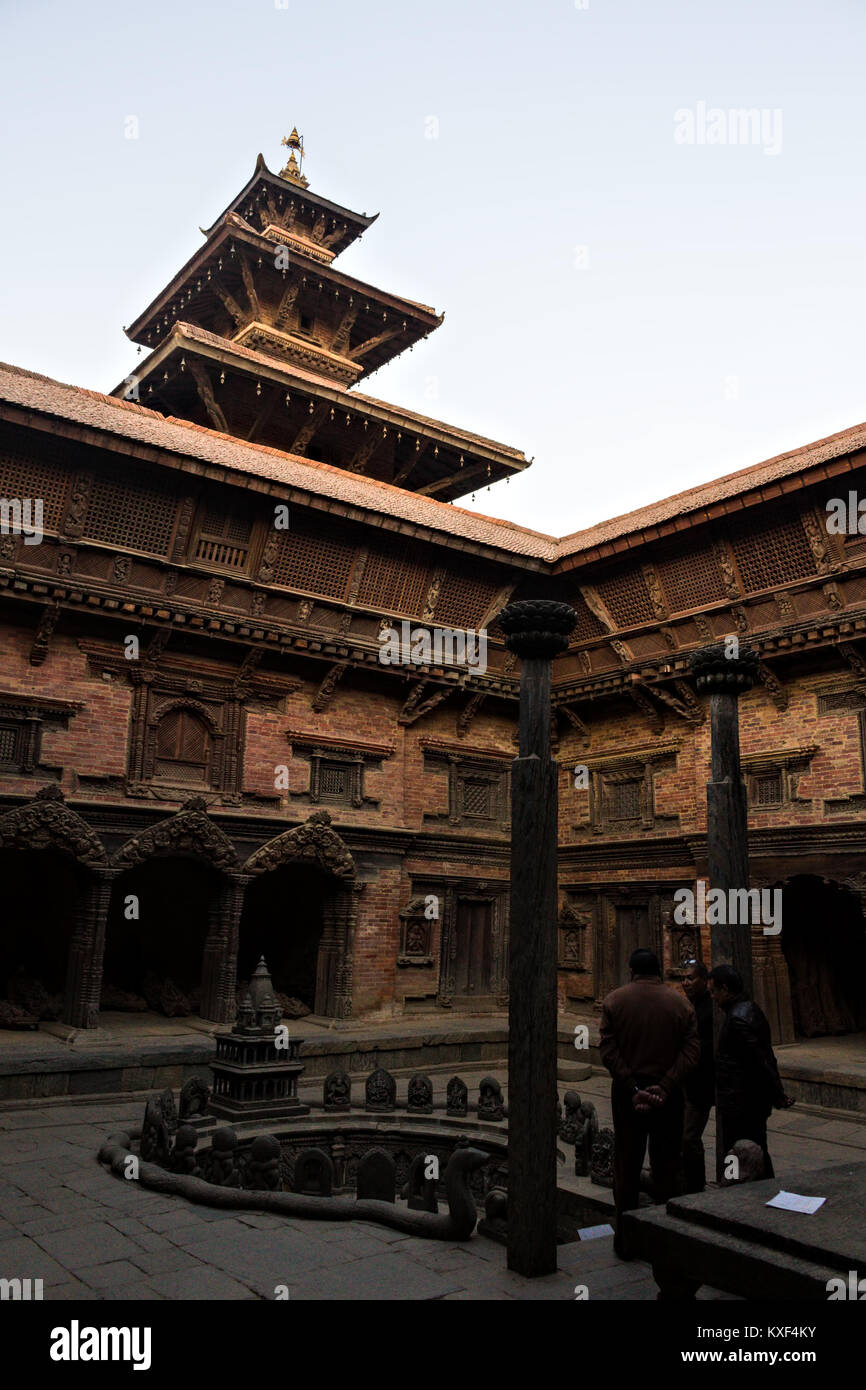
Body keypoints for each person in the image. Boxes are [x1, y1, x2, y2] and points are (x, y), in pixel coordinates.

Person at [600, 948, 700, 1258]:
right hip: (666, 1098)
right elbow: (692, 1051)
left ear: (631, 970)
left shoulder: (615, 1001)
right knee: (666, 1168)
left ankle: (627, 1242)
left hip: (628, 1096)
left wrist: (633, 1087)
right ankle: (664, 1241)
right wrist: (666, 1085)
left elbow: (607, 1049)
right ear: (660, 971)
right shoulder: (681, 1004)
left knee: (627, 1168)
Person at [708, 963, 795, 1179]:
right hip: (748, 1101)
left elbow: (760, 1061)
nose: (713, 997)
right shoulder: (750, 1010)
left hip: (741, 1102)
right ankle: (761, 1185)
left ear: (725, 989)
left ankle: (733, 1187)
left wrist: (777, 1094)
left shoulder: (738, 1019)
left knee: (737, 1150)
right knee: (757, 1147)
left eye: (714, 991)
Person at [681, 959, 715, 1192]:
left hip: (701, 1083)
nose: (685, 983)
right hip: (685, 1082)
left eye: (690, 978)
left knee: (689, 1137)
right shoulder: (689, 1006)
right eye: (683, 978)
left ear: (705, 981)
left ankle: (696, 1186)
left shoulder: (710, 1011)